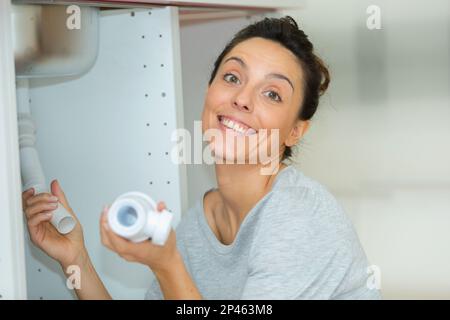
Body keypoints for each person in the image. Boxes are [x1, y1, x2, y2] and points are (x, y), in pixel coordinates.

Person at [22, 16, 381, 300]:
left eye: (272, 94)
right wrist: (76, 259)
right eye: (232, 76)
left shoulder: (299, 218)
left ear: (294, 132)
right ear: (210, 91)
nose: (242, 98)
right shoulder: (197, 227)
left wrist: (168, 266)